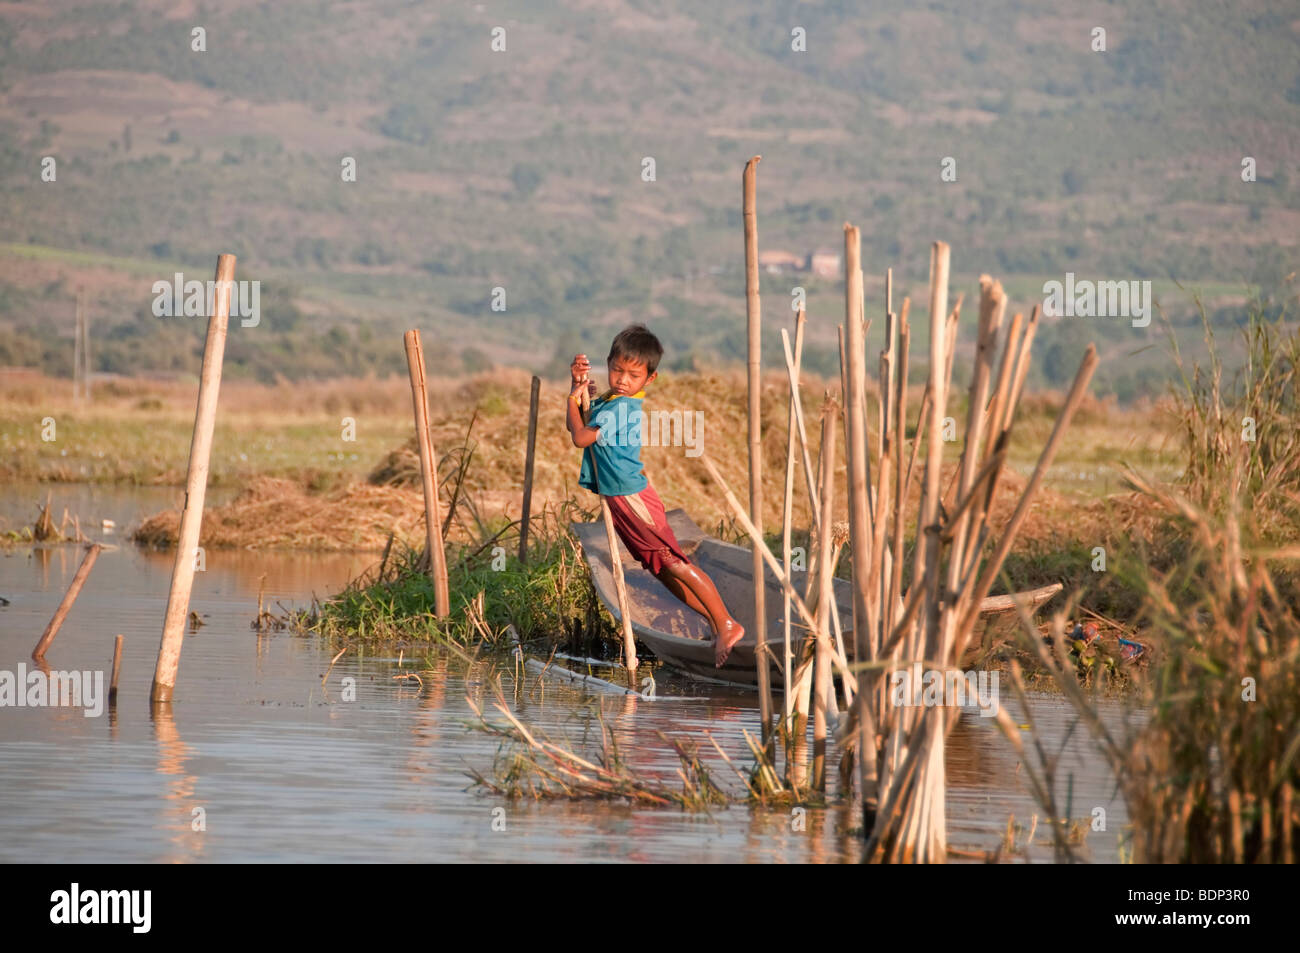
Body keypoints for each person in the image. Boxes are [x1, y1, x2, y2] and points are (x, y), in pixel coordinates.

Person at [565, 324, 745, 667]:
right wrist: (578, 391)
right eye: (617, 370)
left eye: (633, 375)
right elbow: (577, 423)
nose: (622, 379)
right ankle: (714, 623)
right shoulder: (609, 400)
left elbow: (580, 437)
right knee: (661, 569)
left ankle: (727, 623)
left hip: (633, 500)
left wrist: (571, 399)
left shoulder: (621, 408)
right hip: (620, 502)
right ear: (608, 364)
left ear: (650, 379)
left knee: (674, 561)